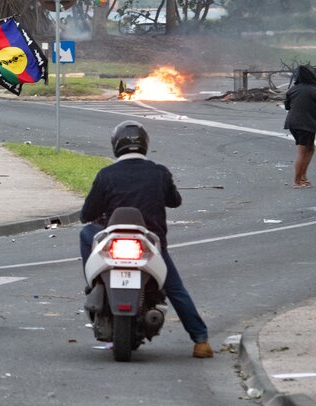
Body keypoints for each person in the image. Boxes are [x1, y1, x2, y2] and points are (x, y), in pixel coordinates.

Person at [78, 120, 214, 359]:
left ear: (116, 146)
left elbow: (86, 215)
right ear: (145, 145)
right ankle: (201, 340)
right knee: (174, 289)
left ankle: (93, 282)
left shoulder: (106, 175)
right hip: (151, 246)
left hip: (113, 245)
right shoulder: (158, 172)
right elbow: (175, 201)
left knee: (86, 234)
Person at [283, 65, 316, 189]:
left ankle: (303, 177)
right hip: (305, 124)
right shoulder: (314, 90)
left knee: (310, 148)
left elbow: (287, 107)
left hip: (295, 124)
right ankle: (296, 181)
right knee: (303, 150)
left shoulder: (292, 90)